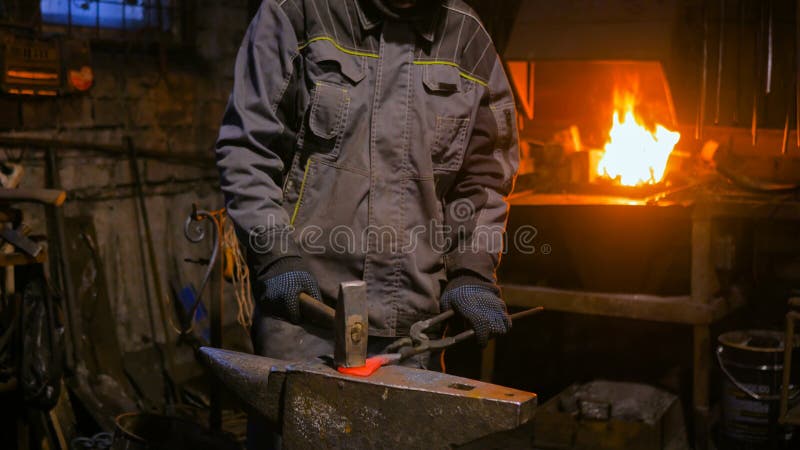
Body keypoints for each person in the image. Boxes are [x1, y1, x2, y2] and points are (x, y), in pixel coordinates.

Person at [215, 0, 519, 442]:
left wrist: (472, 268)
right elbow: (248, 149)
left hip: (413, 336)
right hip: (305, 323)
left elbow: (486, 175)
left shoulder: (466, 37)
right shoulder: (298, 13)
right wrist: (274, 252)